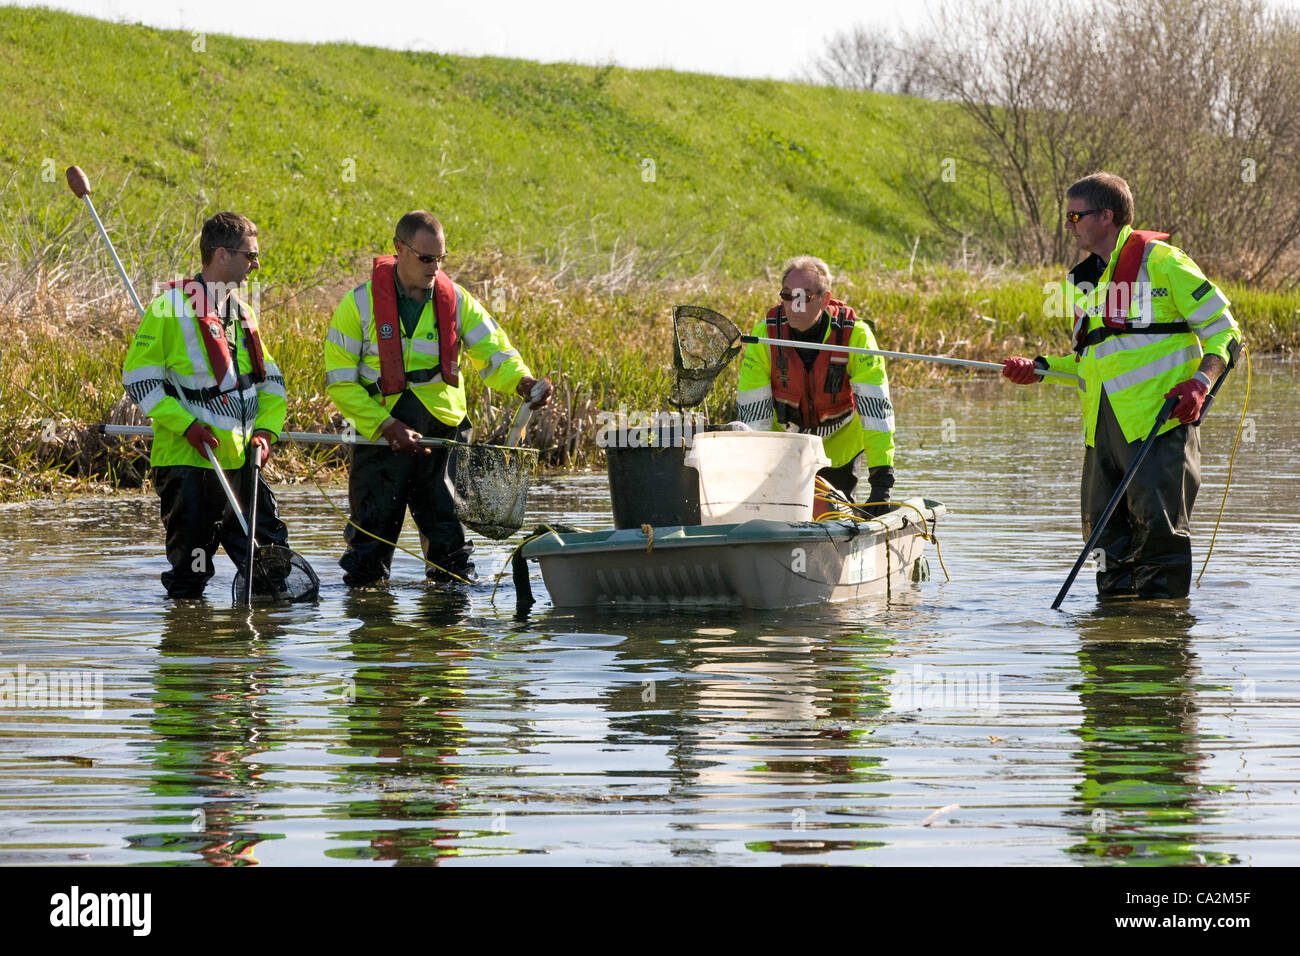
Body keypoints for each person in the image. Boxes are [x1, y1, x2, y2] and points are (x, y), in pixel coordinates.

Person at [1002, 172, 1241, 599]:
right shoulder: (1084, 284)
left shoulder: (1163, 262)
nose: (1069, 224)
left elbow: (1226, 332)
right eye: (1068, 216)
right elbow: (1090, 363)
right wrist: (1038, 368)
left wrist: (1201, 383)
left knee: (1159, 542)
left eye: (1075, 215)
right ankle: (1111, 643)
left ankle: (1159, 651)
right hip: (1102, 432)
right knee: (1103, 543)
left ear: (1106, 216)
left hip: (1158, 426)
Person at [324, 210, 552, 585]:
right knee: (368, 551)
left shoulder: (457, 300)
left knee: (450, 550)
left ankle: (451, 634)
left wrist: (524, 382)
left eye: (441, 259)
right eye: (426, 258)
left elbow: (495, 352)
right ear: (399, 249)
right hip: (381, 438)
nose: (435, 268)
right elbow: (341, 383)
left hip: (443, 438)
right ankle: (373, 635)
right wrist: (385, 424)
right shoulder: (357, 305)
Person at [121, 212, 289, 599]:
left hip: (242, 464)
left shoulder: (244, 314)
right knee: (190, 575)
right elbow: (139, 380)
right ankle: (189, 648)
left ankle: (259, 651)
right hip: (190, 465)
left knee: (271, 564)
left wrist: (266, 432)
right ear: (220, 255)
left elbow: (270, 384)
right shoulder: (168, 309)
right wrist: (186, 426)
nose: (255, 265)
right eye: (250, 256)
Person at [735, 255, 895, 513]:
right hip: (785, 449)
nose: (794, 305)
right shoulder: (763, 338)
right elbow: (754, 419)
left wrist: (881, 485)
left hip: (840, 450)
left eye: (804, 297)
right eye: (788, 296)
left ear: (825, 298)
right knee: (778, 513)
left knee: (832, 513)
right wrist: (755, 479)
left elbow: (876, 415)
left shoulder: (857, 336)